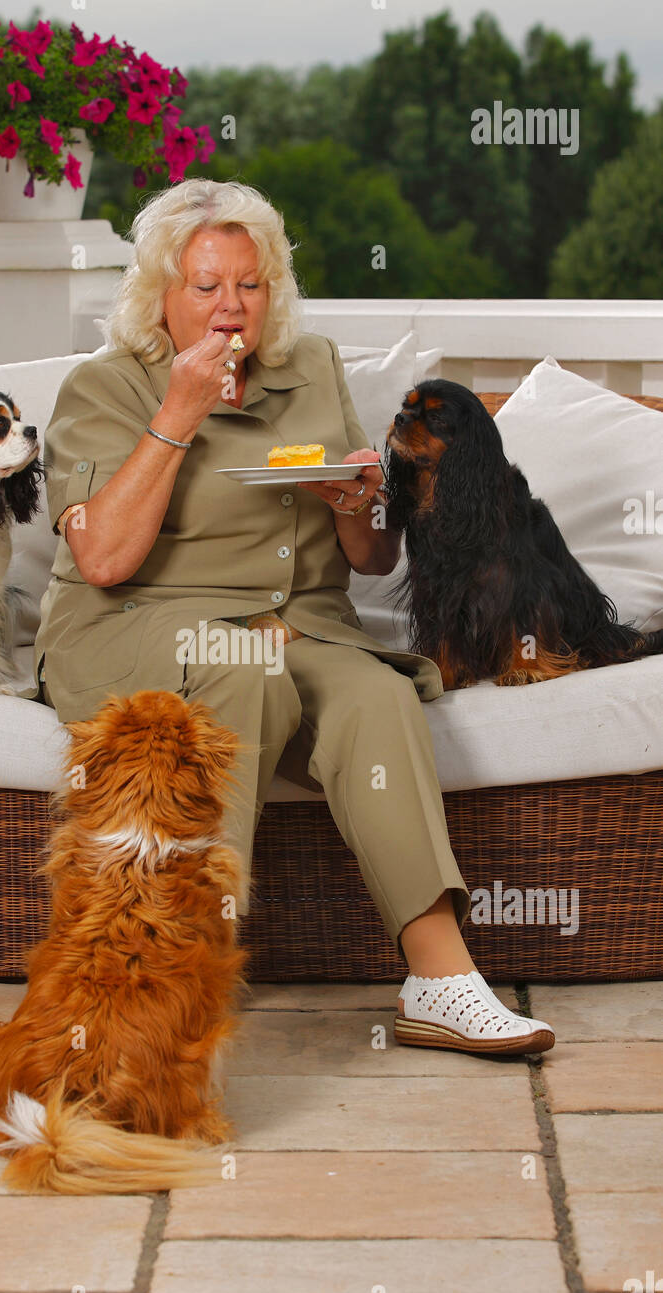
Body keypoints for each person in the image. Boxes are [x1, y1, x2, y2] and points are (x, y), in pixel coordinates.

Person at [33, 178, 555, 1056]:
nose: (232, 309)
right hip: (136, 623)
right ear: (158, 295)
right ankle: (185, 987)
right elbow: (105, 560)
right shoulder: (106, 387)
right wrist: (180, 413)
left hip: (301, 625)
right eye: (206, 288)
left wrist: (359, 500)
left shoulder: (309, 365)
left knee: (375, 697)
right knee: (249, 672)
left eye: (252, 284)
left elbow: (372, 557)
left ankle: (442, 980)